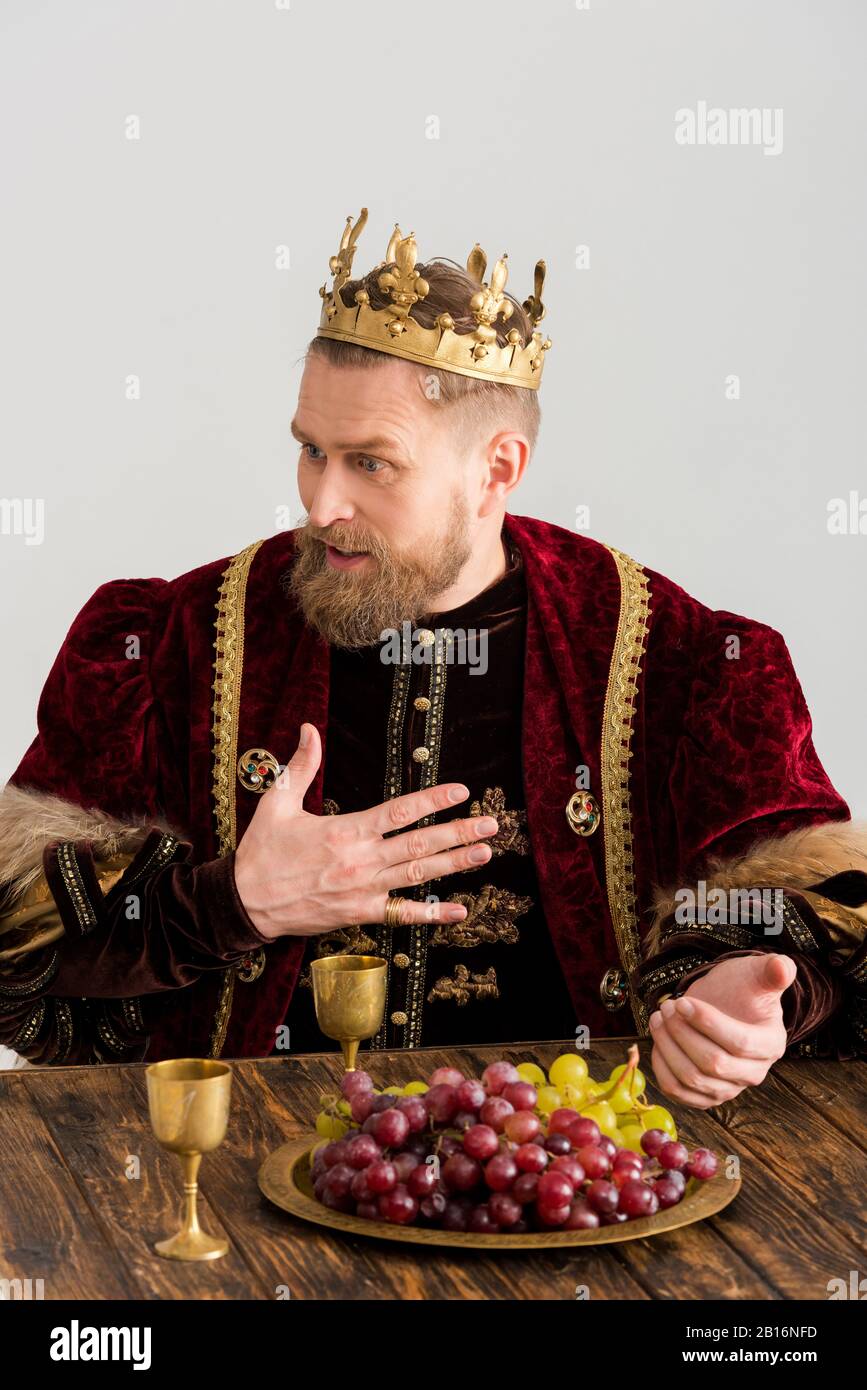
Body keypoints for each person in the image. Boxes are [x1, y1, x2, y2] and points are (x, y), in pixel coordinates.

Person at [1, 208, 864, 1108]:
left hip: (573, 1176)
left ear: (497, 469)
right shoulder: (167, 639)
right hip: (240, 1173)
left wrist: (753, 1002)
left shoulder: (683, 663)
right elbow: (19, 935)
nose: (322, 502)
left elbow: (813, 917)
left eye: (371, 464)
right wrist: (234, 903)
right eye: (310, 450)